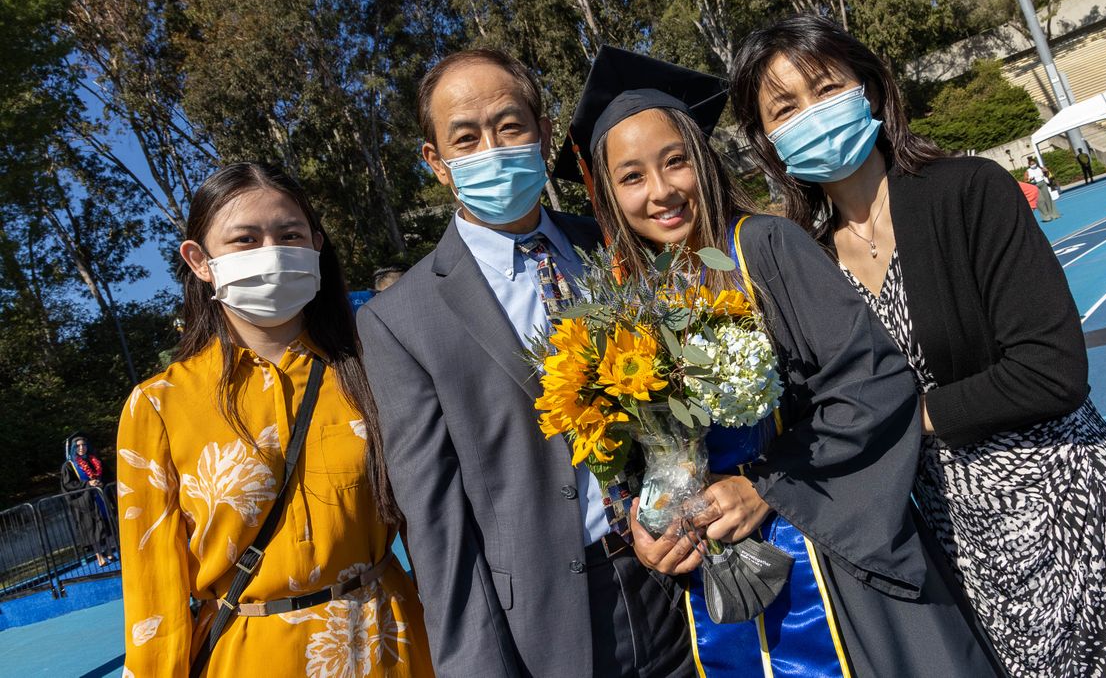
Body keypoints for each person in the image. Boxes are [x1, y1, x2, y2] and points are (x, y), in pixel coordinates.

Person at [730, 14, 1106, 677]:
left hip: (1072, 508)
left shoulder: (969, 191)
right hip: (961, 546)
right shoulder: (803, 266)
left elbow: (1051, 371)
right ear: (768, 142)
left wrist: (899, 418)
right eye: (785, 108)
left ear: (869, 90)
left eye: (825, 89)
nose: (812, 115)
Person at [556, 46, 1004, 677]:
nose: (661, 191)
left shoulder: (765, 247)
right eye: (631, 177)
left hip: (828, 559)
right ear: (608, 193)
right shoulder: (632, 303)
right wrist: (644, 512)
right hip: (720, 582)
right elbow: (636, 450)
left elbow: (873, 385)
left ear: (703, 161)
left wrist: (764, 486)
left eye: (675, 161)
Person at [357, 48, 692, 678]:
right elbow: (437, 523)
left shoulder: (617, 242)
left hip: (680, 580)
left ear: (541, 131)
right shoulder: (400, 320)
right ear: (437, 163)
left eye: (509, 126)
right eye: (465, 136)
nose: (491, 146)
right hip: (552, 622)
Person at [116, 163, 431, 677]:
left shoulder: (374, 367)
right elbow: (153, 590)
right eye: (245, 239)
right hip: (250, 656)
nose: (271, 251)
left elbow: (432, 526)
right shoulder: (159, 405)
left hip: (391, 642)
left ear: (316, 247)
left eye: (289, 235)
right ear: (199, 260)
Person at [60, 433, 116, 567]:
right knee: (92, 527)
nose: (81, 448)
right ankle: (99, 555)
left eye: (84, 445)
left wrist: (102, 483)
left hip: (101, 498)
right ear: (73, 448)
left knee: (106, 524)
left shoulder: (95, 460)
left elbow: (109, 475)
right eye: (78, 446)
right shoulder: (69, 466)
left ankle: (109, 551)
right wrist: (87, 484)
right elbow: (68, 485)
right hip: (85, 502)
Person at [1025, 157, 1061, 221]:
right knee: (1040, 201)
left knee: (1048, 198)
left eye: (1034, 163)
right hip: (1034, 185)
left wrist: (1046, 171)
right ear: (1029, 165)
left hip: (1043, 183)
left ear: (1036, 163)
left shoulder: (1040, 168)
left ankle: (1054, 214)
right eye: (1031, 164)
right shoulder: (1028, 171)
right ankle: (1046, 217)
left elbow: (1047, 175)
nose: (1033, 165)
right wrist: (1029, 179)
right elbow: (1025, 180)